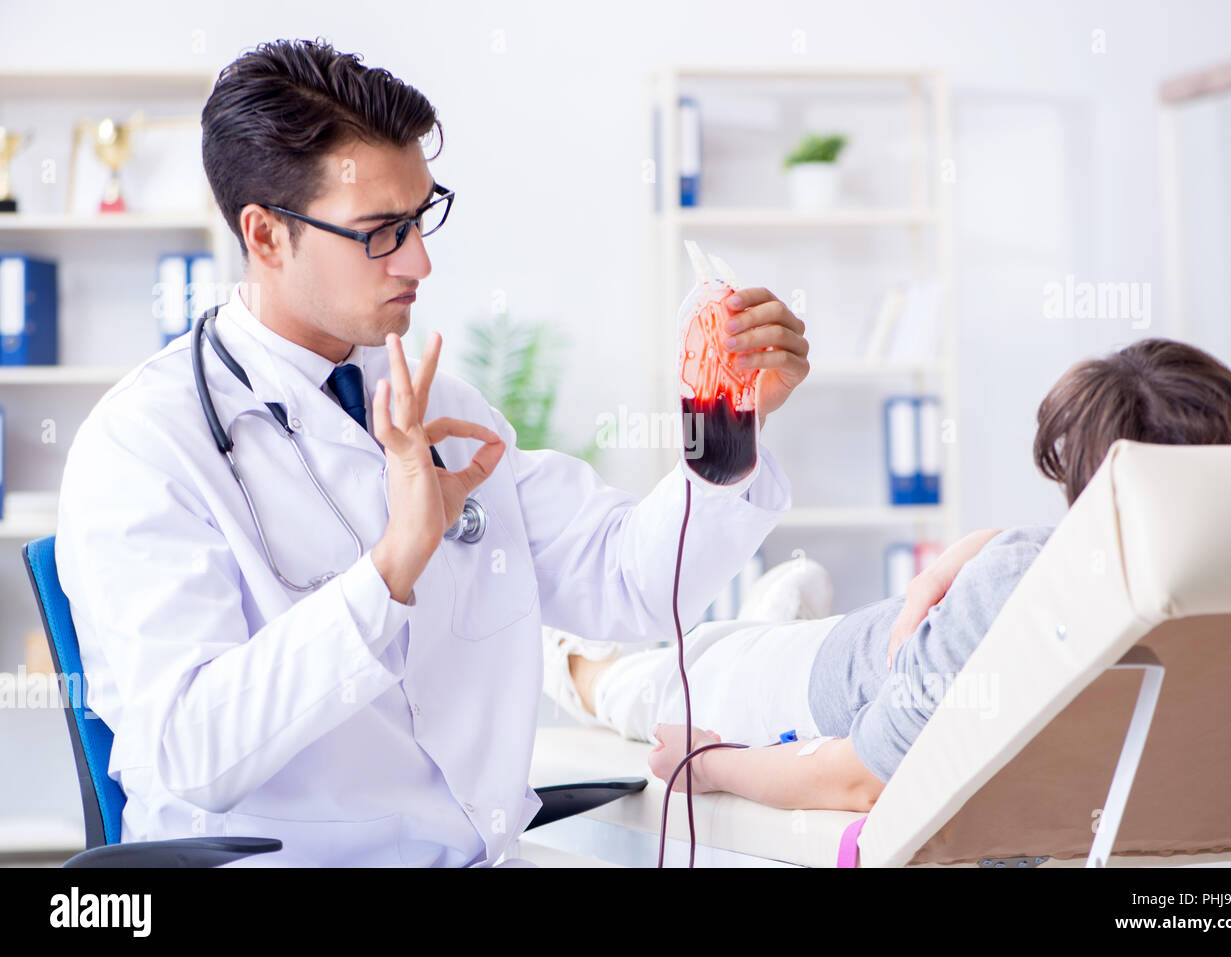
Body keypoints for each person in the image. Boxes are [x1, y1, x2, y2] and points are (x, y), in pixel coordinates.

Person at [54, 38, 811, 867]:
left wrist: (725, 426)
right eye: (381, 231)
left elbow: (627, 582)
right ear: (266, 236)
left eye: (420, 217)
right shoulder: (145, 443)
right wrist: (390, 568)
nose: (419, 259)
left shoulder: (442, 404)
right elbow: (193, 752)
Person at [546, 338, 1231, 813]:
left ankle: (770, 617)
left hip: (863, 654)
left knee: (741, 639)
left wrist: (981, 548)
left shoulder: (1058, 582)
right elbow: (854, 777)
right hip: (793, 691)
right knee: (632, 687)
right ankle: (564, 653)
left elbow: (858, 777)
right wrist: (712, 761)